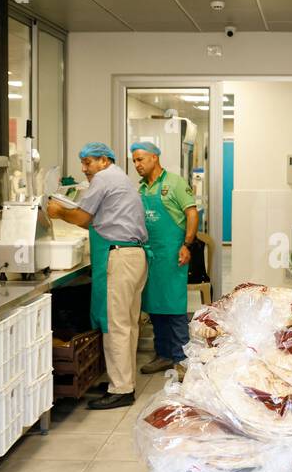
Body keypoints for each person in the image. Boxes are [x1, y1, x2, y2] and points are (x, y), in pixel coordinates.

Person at [46, 143, 148, 410]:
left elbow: (82, 218)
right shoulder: (120, 178)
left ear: (104, 160)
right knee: (128, 324)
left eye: (88, 162)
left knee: (117, 326)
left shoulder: (104, 178)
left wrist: (58, 213)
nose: (84, 168)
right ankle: (123, 380)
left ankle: (122, 389)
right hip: (134, 256)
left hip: (121, 257)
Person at [130, 140, 199, 374]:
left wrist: (187, 244)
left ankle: (181, 359)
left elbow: (191, 213)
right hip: (150, 255)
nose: (137, 165)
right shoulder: (140, 189)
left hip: (172, 253)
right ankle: (163, 355)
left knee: (174, 306)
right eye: (134, 161)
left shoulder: (175, 183)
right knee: (154, 306)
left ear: (154, 158)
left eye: (140, 159)